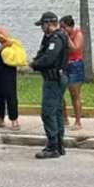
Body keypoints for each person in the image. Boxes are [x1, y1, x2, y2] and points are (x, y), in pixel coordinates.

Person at [29, 11, 69, 159]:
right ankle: (58, 144)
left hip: (54, 79)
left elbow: (49, 58)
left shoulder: (56, 38)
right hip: (54, 78)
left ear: (49, 23)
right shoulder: (51, 38)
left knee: (48, 112)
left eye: (43, 25)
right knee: (56, 111)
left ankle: (53, 146)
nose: (42, 28)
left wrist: (35, 64)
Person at [60, 15, 85, 131]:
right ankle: (64, 118)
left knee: (74, 94)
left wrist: (67, 38)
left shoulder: (77, 34)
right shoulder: (62, 35)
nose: (62, 29)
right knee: (60, 93)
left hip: (75, 65)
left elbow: (75, 48)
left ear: (70, 26)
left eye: (64, 27)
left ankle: (78, 121)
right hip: (64, 65)